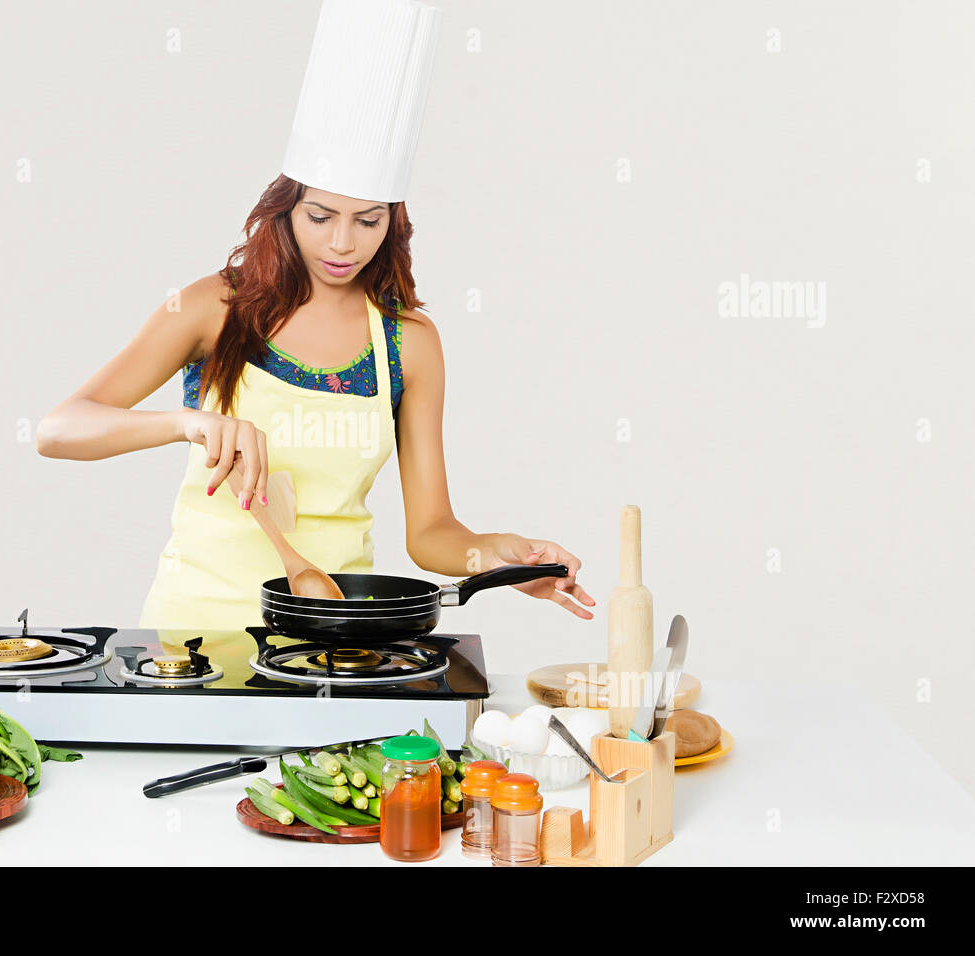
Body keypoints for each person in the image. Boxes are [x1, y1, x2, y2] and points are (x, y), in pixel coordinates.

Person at [36, 0, 595, 632]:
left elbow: (432, 531)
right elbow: (57, 430)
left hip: (335, 632)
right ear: (286, 209)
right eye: (320, 217)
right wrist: (185, 423)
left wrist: (494, 557)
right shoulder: (212, 308)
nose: (341, 245)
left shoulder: (408, 344)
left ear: (395, 223)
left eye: (368, 221)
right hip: (191, 634)